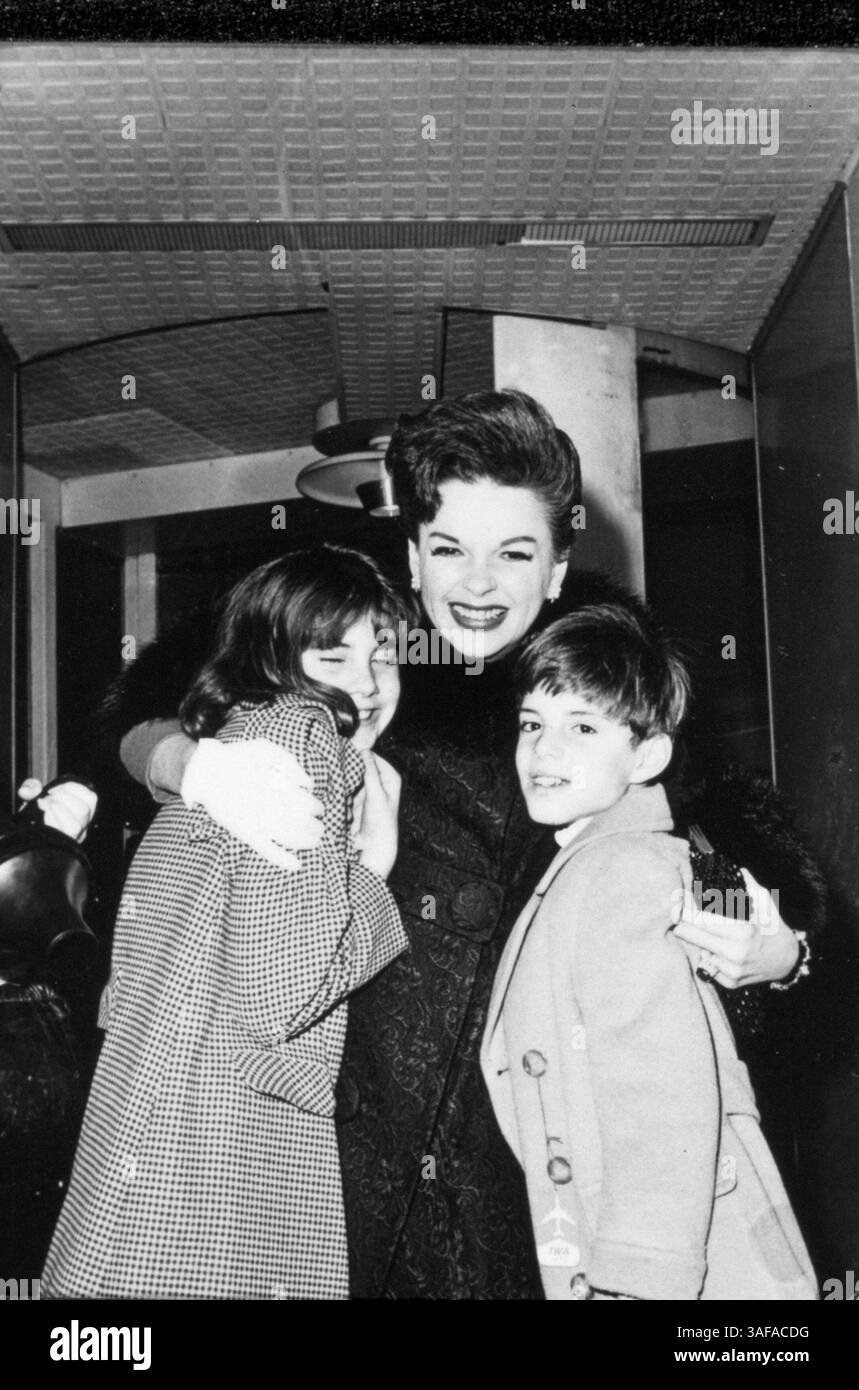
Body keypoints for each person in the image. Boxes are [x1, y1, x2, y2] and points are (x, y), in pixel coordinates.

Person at [111, 390, 814, 1299]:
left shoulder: (597, 660)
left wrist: (775, 952)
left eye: (513, 555)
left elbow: (699, 836)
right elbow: (141, 712)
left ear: (558, 567)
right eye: (449, 551)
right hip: (346, 1118)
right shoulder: (356, 645)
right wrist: (193, 765)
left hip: (526, 1138)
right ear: (411, 554)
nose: (477, 586)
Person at [42, 546, 409, 1299]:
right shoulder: (300, 736)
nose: (367, 687)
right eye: (333, 656)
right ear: (271, 660)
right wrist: (371, 875)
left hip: (148, 1145)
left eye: (385, 656)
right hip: (216, 1165)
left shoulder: (229, 749)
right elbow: (280, 992)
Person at [481, 605, 817, 1301]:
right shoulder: (597, 855)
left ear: (648, 753)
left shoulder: (626, 867)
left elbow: (660, 1086)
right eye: (530, 724)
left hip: (661, 1262)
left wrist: (640, 1275)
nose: (544, 750)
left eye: (581, 726)